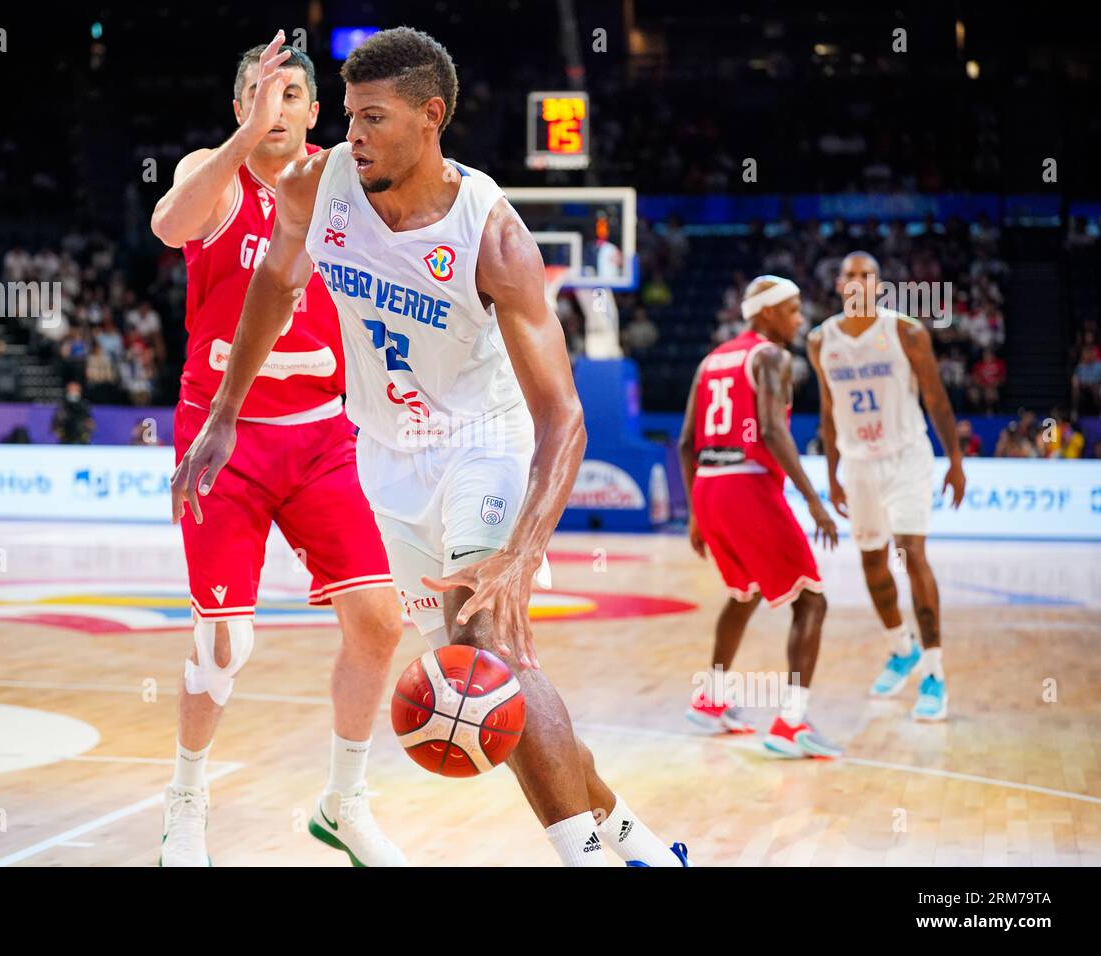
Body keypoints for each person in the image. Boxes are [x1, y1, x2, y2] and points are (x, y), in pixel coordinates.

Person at [173, 27, 688, 867]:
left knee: (490, 644)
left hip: (479, 443)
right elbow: (274, 280)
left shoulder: (494, 236)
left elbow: (564, 417)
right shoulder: (319, 183)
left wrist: (520, 555)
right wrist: (225, 412)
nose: (353, 135)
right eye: (349, 116)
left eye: (373, 119)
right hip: (382, 454)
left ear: (430, 118)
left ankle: (587, 861)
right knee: (478, 679)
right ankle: (636, 840)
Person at [151, 34, 406, 867]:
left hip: (323, 434)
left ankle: (344, 799)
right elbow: (169, 223)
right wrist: (242, 136)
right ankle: (186, 798)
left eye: (293, 95)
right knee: (225, 645)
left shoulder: (344, 179)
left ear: (316, 111)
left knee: (378, 621)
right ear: (238, 109)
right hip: (222, 437)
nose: (279, 109)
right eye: (262, 96)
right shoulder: (212, 172)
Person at [680, 276, 843, 757]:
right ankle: (792, 723)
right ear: (766, 313)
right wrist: (814, 500)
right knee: (811, 600)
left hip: (710, 486)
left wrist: (695, 512)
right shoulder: (771, 356)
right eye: (792, 310)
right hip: (746, 483)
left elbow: (688, 441)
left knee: (743, 591)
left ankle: (711, 698)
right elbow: (772, 430)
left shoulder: (712, 359)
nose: (799, 319)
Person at [808, 252, 966, 722]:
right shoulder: (821, 341)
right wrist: (832, 470)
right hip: (858, 464)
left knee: (912, 553)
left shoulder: (905, 332)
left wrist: (955, 460)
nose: (858, 281)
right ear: (839, 284)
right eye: (850, 274)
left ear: (879, 285)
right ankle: (902, 647)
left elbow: (937, 399)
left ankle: (935, 673)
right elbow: (828, 410)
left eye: (867, 275)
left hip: (906, 457)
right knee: (872, 561)